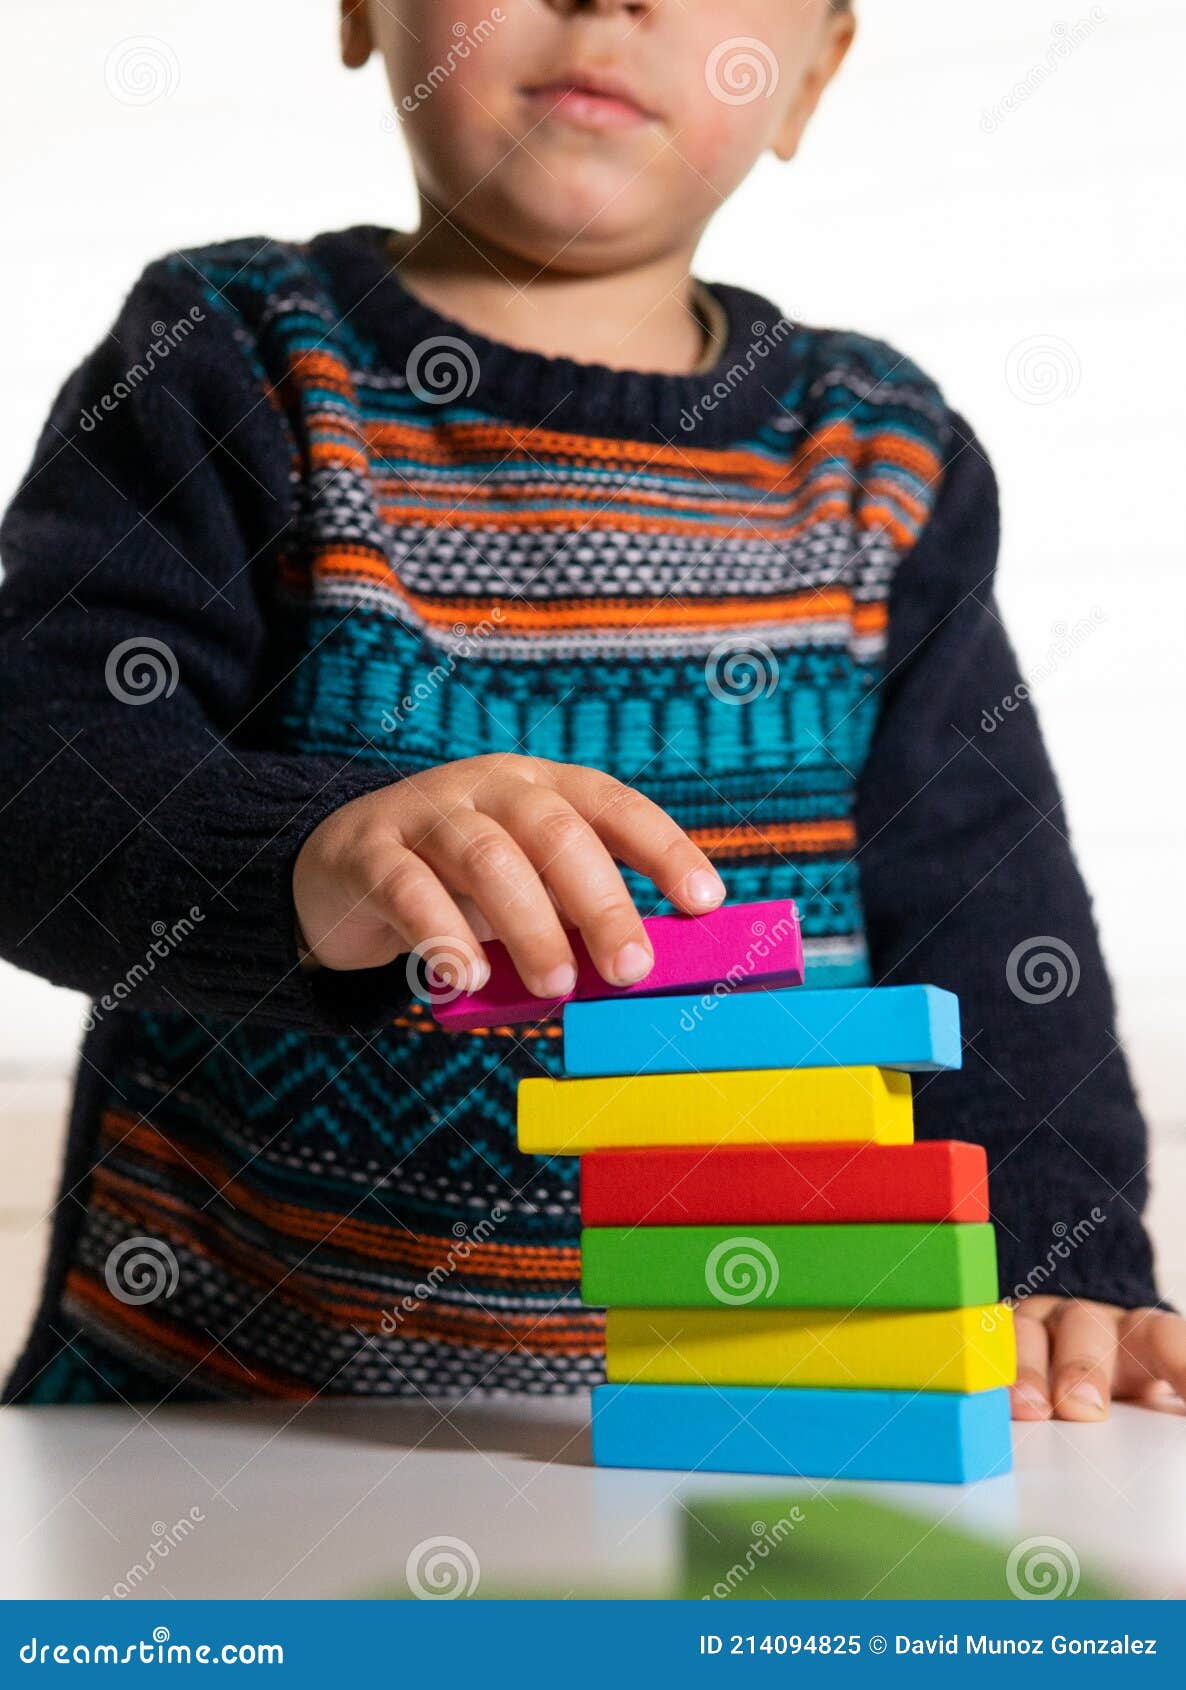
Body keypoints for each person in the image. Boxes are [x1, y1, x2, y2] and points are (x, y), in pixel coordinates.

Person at [1, 0, 1182, 1420]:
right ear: (363, 11)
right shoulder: (234, 354)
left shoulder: (882, 454)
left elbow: (992, 921)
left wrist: (1059, 1253)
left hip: (747, 1434)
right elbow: (41, 773)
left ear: (811, 74)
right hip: (215, 1419)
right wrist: (307, 859)